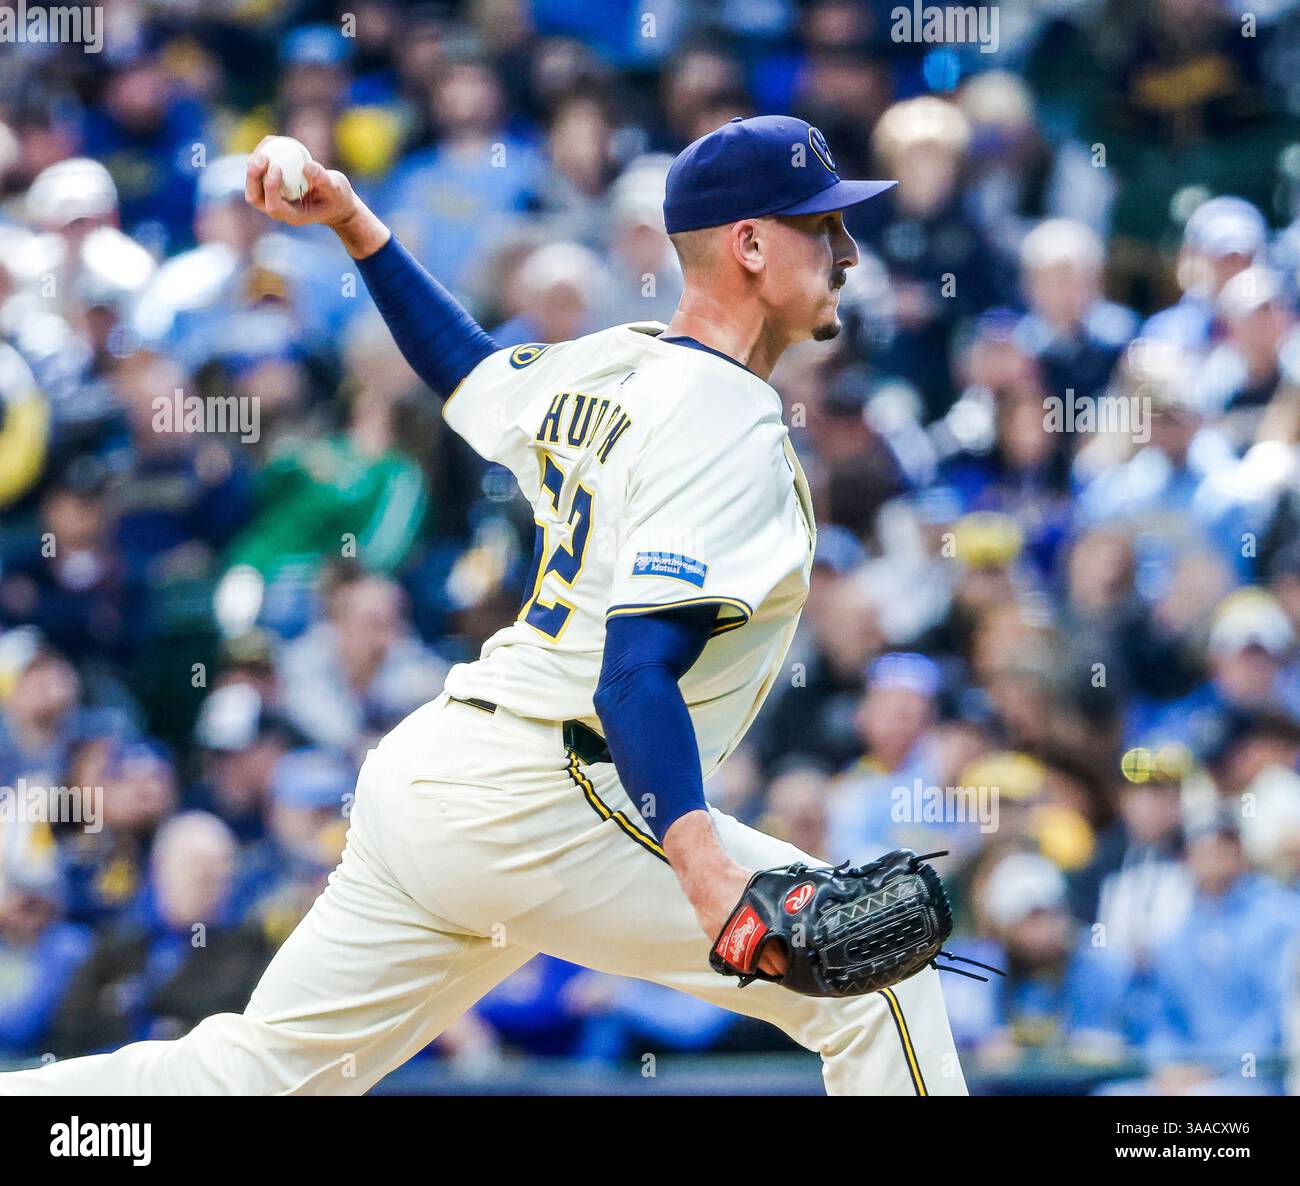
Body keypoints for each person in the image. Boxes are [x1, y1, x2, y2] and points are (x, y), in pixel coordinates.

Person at [0, 115, 964, 1096]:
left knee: (256, 1075)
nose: (846, 251)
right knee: (877, 992)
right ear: (749, 245)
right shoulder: (727, 422)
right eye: (821, 227)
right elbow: (634, 672)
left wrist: (356, 225)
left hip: (434, 777)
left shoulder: (614, 364)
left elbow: (461, 366)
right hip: (543, 797)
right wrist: (708, 871)